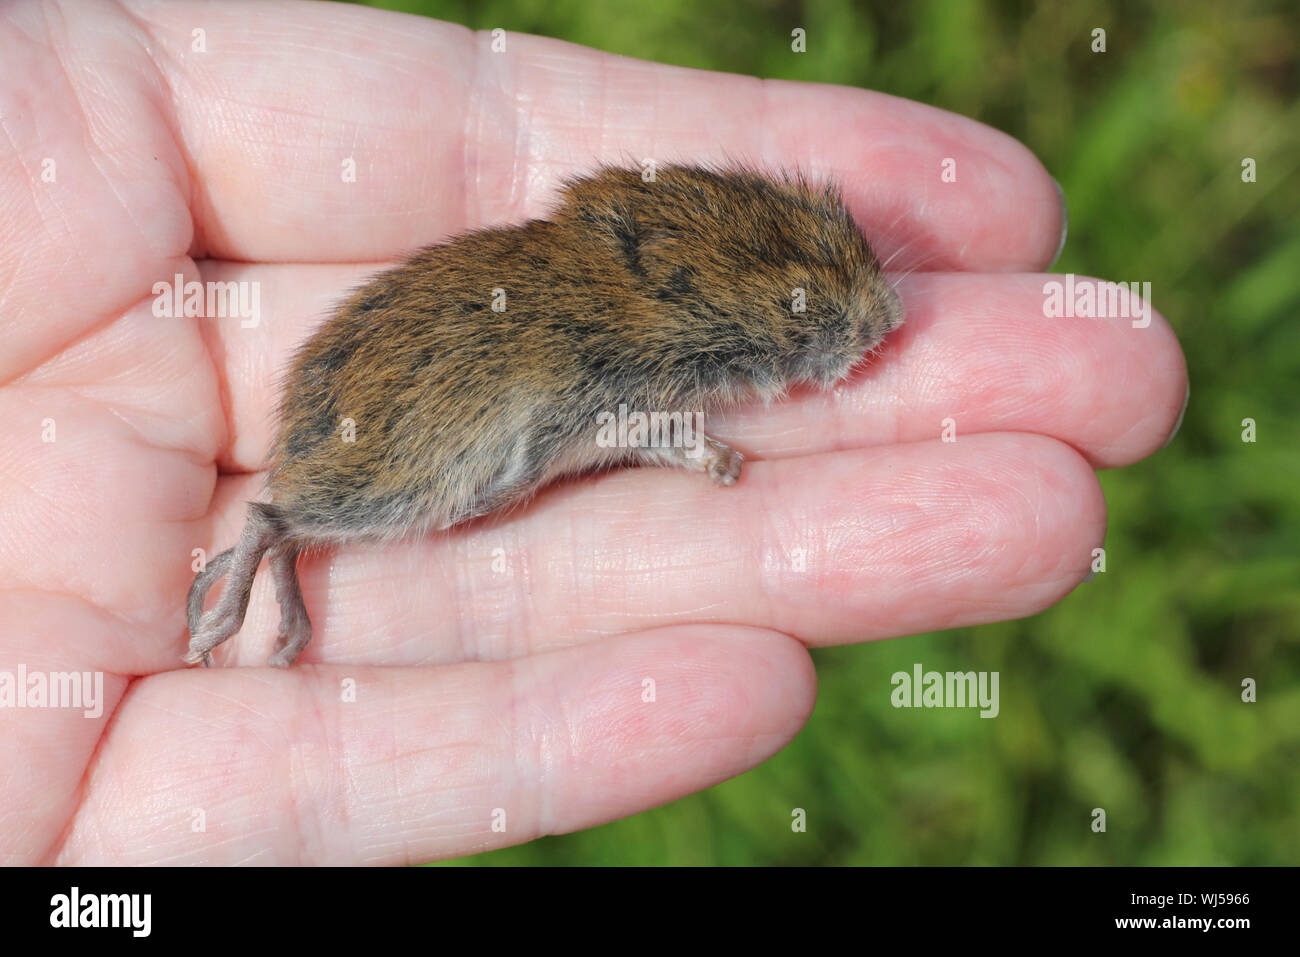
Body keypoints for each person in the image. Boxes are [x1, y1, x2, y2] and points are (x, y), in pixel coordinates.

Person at [0, 1, 1187, 864]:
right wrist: (676, 442)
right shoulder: (612, 329)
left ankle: (277, 541)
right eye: (805, 314)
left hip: (422, 377)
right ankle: (268, 540)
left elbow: (623, 419)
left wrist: (675, 441)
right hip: (406, 423)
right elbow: (612, 414)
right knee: (405, 491)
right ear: (672, 287)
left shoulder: (631, 281)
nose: (861, 328)